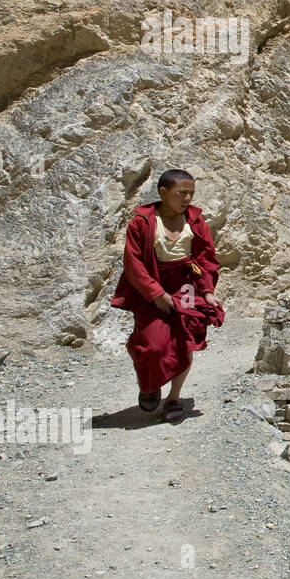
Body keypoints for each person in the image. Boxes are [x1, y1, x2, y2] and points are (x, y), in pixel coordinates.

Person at [110, 169, 224, 422]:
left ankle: (173, 397)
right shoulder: (142, 223)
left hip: (186, 286)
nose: (187, 198)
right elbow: (134, 263)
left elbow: (206, 258)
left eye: (191, 193)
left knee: (185, 343)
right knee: (150, 343)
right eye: (182, 193)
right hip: (153, 284)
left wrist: (206, 292)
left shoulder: (195, 222)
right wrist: (156, 293)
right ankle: (149, 386)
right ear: (163, 192)